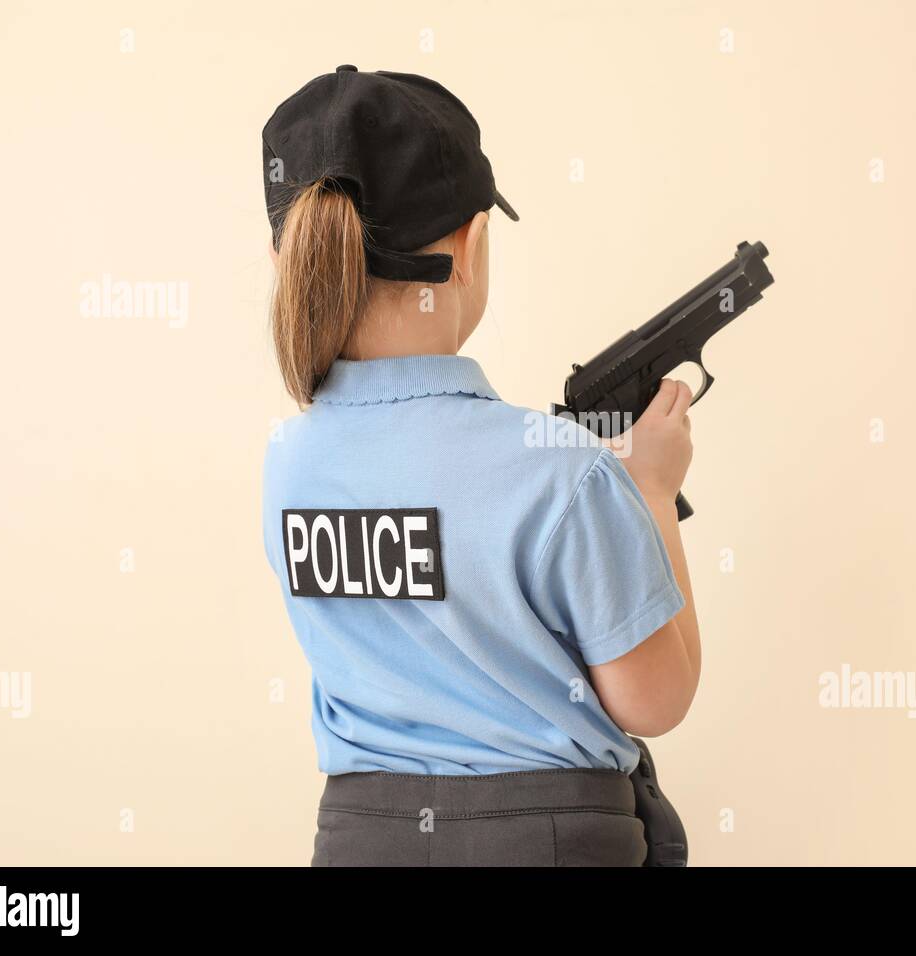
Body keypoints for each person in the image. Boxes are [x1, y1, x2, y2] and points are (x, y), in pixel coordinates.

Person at [260, 67, 700, 866]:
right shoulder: (563, 475)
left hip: (360, 842)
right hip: (551, 843)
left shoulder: (288, 468)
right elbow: (656, 700)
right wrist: (654, 493)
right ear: (471, 245)